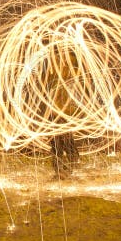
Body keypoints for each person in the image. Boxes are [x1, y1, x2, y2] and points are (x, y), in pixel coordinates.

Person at [42, 45, 80, 177]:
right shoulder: (56, 65)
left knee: (63, 140)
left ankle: (67, 168)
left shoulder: (68, 63)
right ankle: (62, 169)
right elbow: (47, 83)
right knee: (58, 141)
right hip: (56, 109)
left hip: (63, 109)